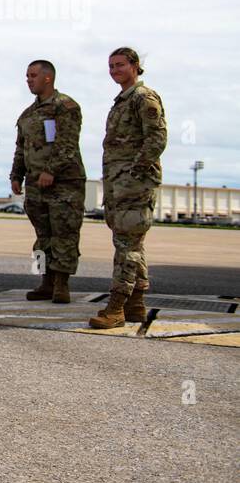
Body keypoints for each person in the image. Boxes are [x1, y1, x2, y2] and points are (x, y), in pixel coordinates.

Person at [89, 47, 167, 329]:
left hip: (133, 184)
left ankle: (116, 307)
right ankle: (136, 305)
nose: (114, 70)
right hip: (119, 184)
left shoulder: (143, 98)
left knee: (126, 246)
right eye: (110, 66)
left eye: (119, 65)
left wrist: (135, 173)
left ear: (135, 66)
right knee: (132, 243)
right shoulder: (122, 101)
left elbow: (156, 138)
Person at [8, 60, 86, 304]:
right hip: (35, 184)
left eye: (33, 75)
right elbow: (21, 148)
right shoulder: (27, 115)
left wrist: (51, 170)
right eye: (27, 76)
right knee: (42, 236)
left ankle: (62, 285)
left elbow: (67, 143)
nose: (28, 80)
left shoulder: (65, 106)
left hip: (64, 184)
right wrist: (16, 175)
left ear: (48, 78)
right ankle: (45, 281)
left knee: (64, 234)